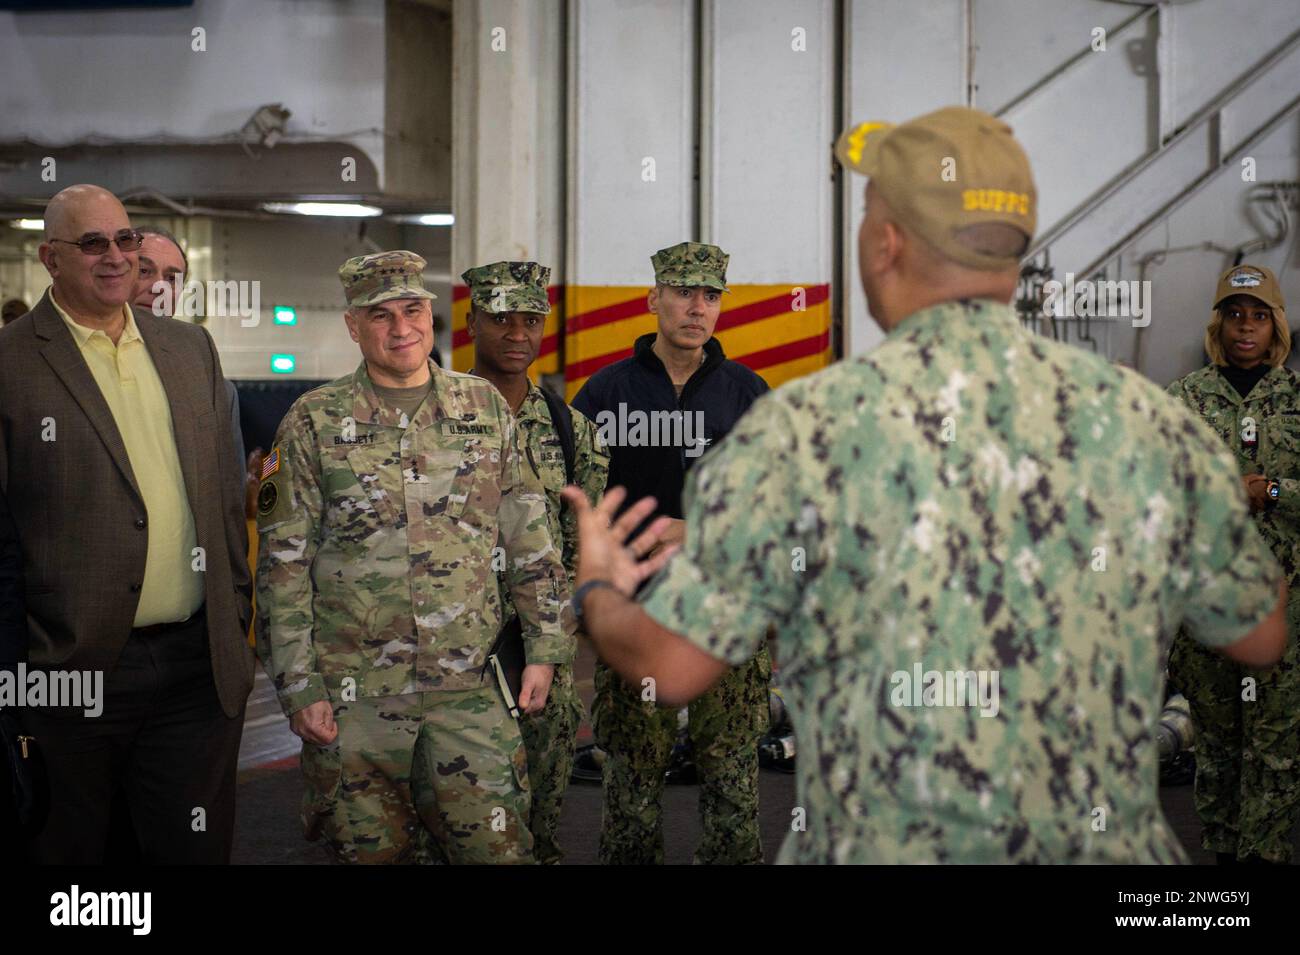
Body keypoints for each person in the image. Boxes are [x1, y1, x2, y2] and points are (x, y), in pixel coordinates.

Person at [561, 106, 1289, 864]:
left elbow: (668, 665)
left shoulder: (806, 428)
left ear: (886, 244)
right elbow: (1259, 630)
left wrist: (598, 591)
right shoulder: (1145, 417)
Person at [255, 250, 573, 864]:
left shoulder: (484, 410)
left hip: (471, 694)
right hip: (356, 701)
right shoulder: (313, 423)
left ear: (433, 316)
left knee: (500, 851)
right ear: (353, 325)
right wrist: (299, 688)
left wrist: (547, 650)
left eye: (412, 310)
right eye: (381, 316)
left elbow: (532, 540)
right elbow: (283, 567)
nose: (401, 328)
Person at [0, 183, 252, 863]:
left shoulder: (189, 349)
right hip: (70, 671)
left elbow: (225, 503)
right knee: (80, 866)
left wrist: (236, 624)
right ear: (51, 258)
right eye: (93, 243)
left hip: (196, 669)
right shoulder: (13, 363)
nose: (116, 257)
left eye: (125, 239)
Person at [571, 240, 771, 865]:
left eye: (711, 296)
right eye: (684, 292)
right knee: (632, 781)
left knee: (732, 784)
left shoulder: (748, 394)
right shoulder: (605, 395)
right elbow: (578, 507)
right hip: (638, 614)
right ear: (654, 297)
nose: (698, 308)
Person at [463, 260, 608, 864]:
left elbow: (583, 546)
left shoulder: (571, 430)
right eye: (501, 318)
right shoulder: (436, 417)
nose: (518, 333)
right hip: (456, 653)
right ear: (471, 322)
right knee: (460, 820)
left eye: (531, 319)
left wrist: (557, 638)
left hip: (539, 655)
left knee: (540, 824)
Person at [1165, 264, 1300, 864]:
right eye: (1235, 314)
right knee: (1216, 753)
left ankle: (1263, 860)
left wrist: (1271, 492)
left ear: (1277, 328)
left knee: (1274, 756)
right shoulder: (1184, 399)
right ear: (1218, 325)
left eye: (1260, 315)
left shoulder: (1295, 401)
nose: (1247, 327)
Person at [132, 225, 246, 472]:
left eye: (171, 279)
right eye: (144, 271)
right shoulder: (83, 370)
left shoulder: (218, 394)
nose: (158, 288)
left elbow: (228, 493)